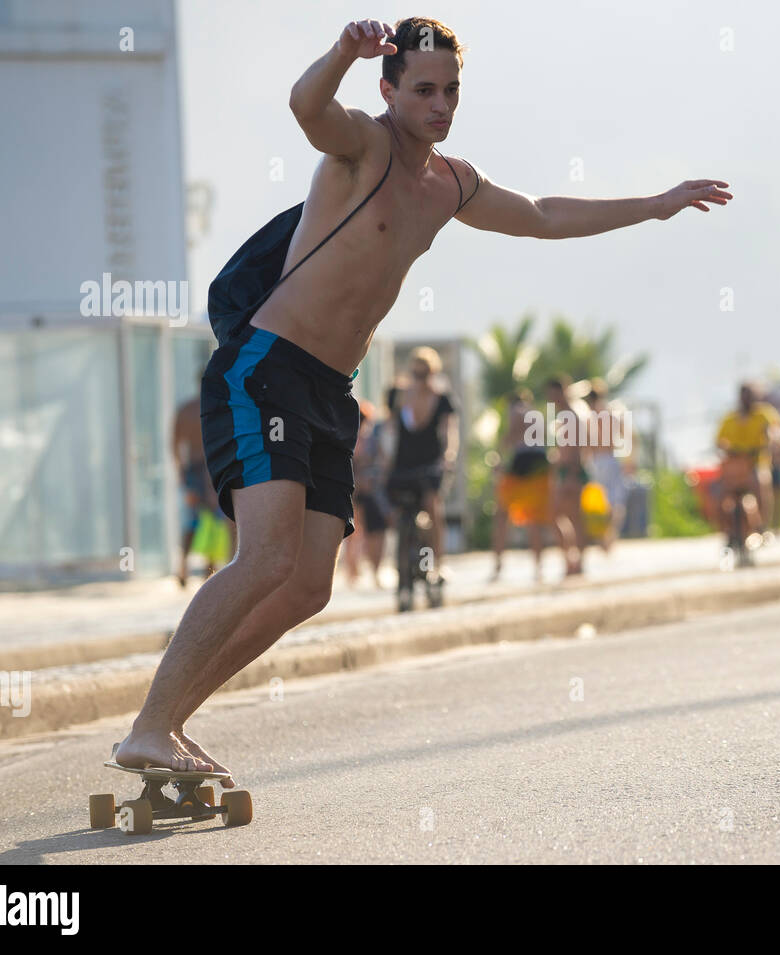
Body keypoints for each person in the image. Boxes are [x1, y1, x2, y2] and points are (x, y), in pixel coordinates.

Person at [113, 16, 733, 775]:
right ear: (389, 90)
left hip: (331, 393)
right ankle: (149, 722)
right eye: (423, 90)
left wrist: (654, 203)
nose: (440, 106)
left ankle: (166, 721)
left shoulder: (450, 184)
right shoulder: (359, 148)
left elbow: (541, 216)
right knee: (265, 555)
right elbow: (308, 109)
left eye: (451, 91)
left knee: (308, 586)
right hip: (266, 367)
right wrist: (343, 52)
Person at [385, 347, 457, 588]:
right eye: (416, 373)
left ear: (433, 373)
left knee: (432, 504)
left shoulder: (442, 399)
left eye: (424, 374)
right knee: (397, 507)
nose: (420, 379)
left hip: (430, 464)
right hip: (403, 464)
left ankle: (438, 562)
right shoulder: (398, 396)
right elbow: (389, 429)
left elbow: (449, 432)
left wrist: (448, 456)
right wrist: (383, 458)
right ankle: (402, 557)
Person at [171, 382, 230, 587]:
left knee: (195, 520)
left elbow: (175, 446)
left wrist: (181, 476)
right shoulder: (214, 408)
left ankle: (184, 567)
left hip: (193, 470)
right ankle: (207, 570)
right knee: (212, 518)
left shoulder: (185, 409)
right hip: (209, 468)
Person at [491, 389, 550, 581]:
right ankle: (539, 566)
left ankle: (498, 564)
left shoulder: (516, 410)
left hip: (522, 463)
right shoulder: (536, 414)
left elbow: (512, 435)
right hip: (540, 464)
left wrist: (498, 456)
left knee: (502, 515)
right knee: (534, 519)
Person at [715, 383, 777, 552]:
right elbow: (719, 441)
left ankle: (763, 526)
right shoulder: (730, 418)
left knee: (761, 486)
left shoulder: (764, 415)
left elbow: (773, 433)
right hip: (736, 465)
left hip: (757, 462)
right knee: (721, 494)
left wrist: (768, 443)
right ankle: (727, 532)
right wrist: (727, 449)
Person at [342, 398, 389, 587]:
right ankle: (361, 572)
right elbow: (382, 462)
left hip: (359, 490)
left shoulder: (351, 438)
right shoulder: (368, 441)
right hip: (361, 490)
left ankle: (355, 572)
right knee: (365, 533)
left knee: (356, 533)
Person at [545, 375, 588, 576]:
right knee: (564, 517)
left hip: (571, 472)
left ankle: (576, 561)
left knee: (570, 517)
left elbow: (578, 447)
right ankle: (572, 561)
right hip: (566, 471)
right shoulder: (564, 415)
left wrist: (572, 472)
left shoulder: (570, 415)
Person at [584, 378, 633, 551]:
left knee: (602, 503)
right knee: (615, 503)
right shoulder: (610, 414)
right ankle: (608, 536)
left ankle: (603, 536)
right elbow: (628, 437)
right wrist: (629, 460)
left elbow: (586, 445)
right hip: (609, 460)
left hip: (596, 462)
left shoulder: (589, 417)